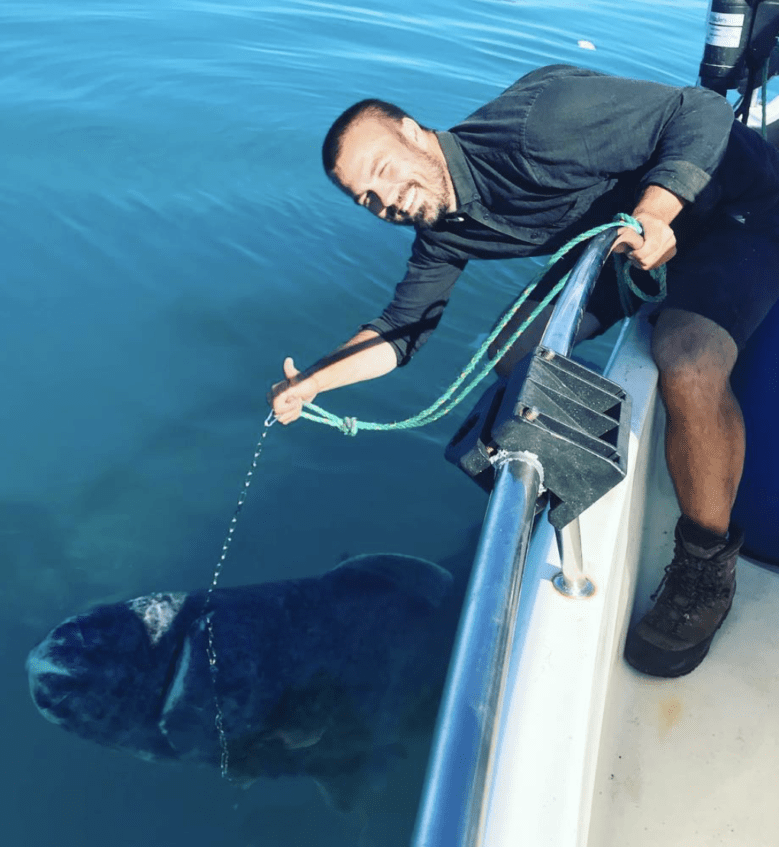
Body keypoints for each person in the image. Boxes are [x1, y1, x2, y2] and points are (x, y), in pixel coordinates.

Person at [269, 64, 779, 678]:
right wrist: (314, 382)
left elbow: (700, 112)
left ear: (412, 132)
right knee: (511, 355)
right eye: (366, 200)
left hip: (735, 206)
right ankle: (566, 485)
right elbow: (403, 328)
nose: (384, 203)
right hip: (619, 243)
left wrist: (658, 211)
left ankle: (703, 565)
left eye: (381, 173)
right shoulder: (444, 227)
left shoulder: (541, 122)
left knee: (688, 360)